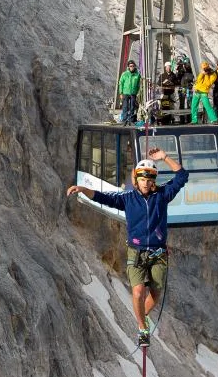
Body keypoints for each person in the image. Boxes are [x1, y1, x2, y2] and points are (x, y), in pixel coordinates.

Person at [66, 147, 188, 344]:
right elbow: (102, 197)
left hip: (158, 252)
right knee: (138, 291)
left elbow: (182, 176)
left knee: (156, 293)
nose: (146, 183)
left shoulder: (162, 196)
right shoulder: (128, 199)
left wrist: (164, 157)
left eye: (150, 179)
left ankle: (142, 317)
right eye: (143, 179)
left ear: (154, 180)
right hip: (137, 251)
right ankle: (142, 328)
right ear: (136, 179)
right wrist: (82, 189)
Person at [116, 60, 141, 124]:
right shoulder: (124, 74)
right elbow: (121, 83)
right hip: (125, 92)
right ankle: (124, 119)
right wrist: (121, 93)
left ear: (134, 66)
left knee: (132, 107)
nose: (132, 67)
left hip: (133, 93)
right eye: (130, 66)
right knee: (125, 106)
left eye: (133, 66)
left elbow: (139, 84)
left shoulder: (137, 75)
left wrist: (137, 92)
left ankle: (131, 120)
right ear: (128, 67)